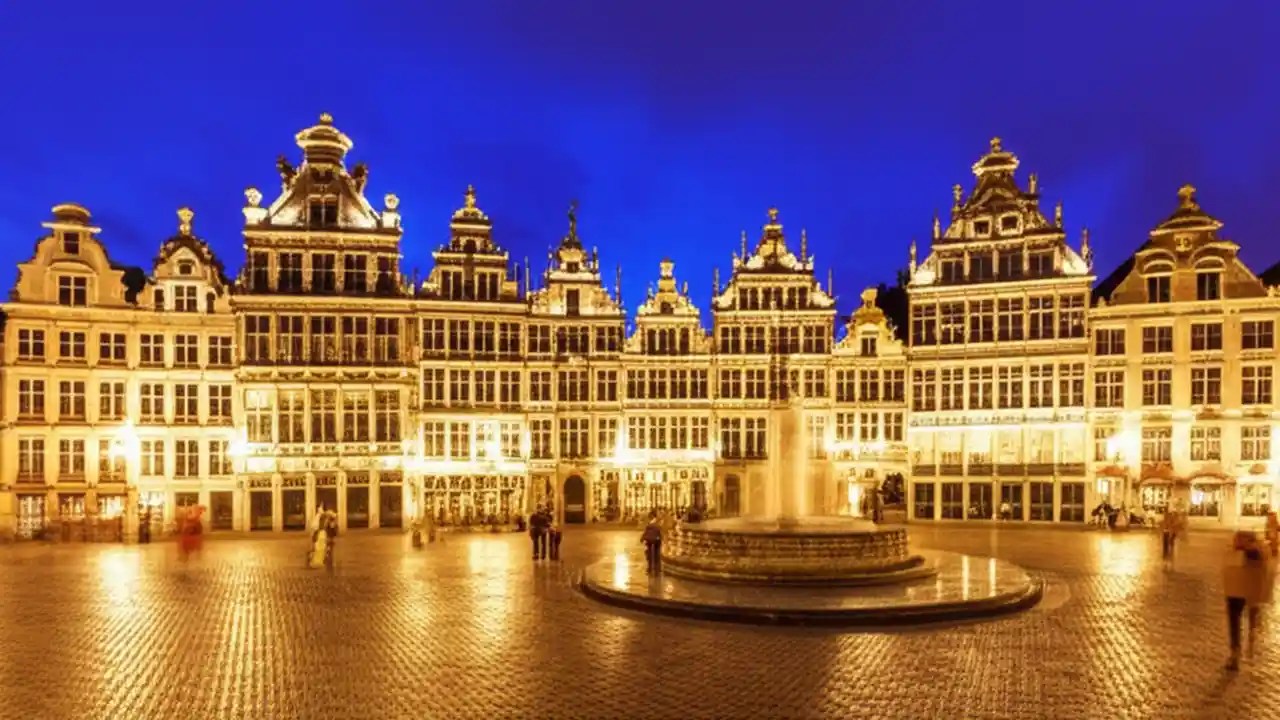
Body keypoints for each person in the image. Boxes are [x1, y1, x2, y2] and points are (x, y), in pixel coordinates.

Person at [1222, 530, 1271, 670]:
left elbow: (1258, 557)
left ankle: (1249, 646)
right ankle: (1236, 652)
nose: (1236, 542)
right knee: (1235, 621)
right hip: (1235, 593)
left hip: (1249, 592)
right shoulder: (1235, 552)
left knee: (1250, 621)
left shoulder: (1255, 552)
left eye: (1240, 540)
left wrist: (1250, 547)